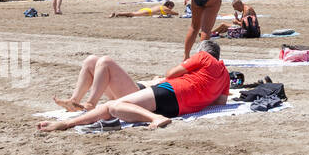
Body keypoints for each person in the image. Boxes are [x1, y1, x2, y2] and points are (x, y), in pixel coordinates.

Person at [39, 40, 229, 131]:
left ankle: (82, 111)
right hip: (168, 96)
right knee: (92, 61)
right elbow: (220, 104)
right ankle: (75, 101)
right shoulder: (224, 74)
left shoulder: (203, 57)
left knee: (105, 68)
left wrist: (186, 71)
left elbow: (170, 74)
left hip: (166, 92)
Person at [109, 0, 177, 18]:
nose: (172, 8)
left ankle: (118, 14)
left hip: (146, 10)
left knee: (132, 14)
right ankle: (117, 13)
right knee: (131, 14)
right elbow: (175, 13)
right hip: (147, 12)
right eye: (172, 7)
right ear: (169, 6)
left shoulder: (160, 6)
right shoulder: (166, 9)